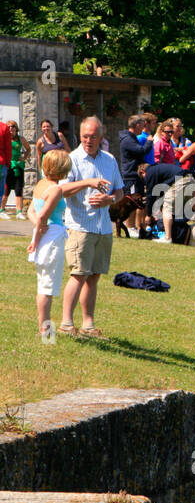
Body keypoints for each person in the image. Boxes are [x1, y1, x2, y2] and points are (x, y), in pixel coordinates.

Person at [26, 150, 111, 338]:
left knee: (43, 286)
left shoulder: (41, 185)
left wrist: (37, 233)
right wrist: (39, 236)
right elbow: (42, 216)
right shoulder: (55, 190)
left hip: (43, 236)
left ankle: (44, 329)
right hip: (52, 237)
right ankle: (46, 332)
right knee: (48, 288)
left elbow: (32, 211)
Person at [59, 118, 123, 338]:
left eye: (93, 136)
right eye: (85, 136)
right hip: (80, 226)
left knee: (94, 276)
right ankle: (66, 324)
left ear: (101, 137)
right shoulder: (73, 159)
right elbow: (63, 190)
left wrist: (110, 200)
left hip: (103, 227)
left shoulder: (109, 160)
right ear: (80, 136)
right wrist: (88, 183)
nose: (88, 140)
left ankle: (88, 325)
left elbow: (120, 190)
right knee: (78, 274)